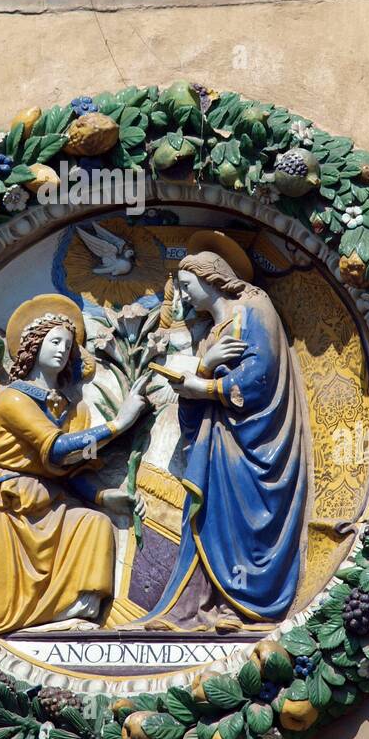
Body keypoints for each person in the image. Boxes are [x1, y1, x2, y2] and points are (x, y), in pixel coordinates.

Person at [0, 306, 149, 635]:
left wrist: (105, 497)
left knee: (94, 524)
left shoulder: (68, 410)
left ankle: (68, 613)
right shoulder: (13, 400)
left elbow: (73, 463)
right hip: (3, 503)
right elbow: (56, 447)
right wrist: (119, 424)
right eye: (55, 342)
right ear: (33, 346)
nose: (63, 350)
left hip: (47, 502)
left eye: (68, 345)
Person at [142, 249, 311, 632]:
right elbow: (192, 408)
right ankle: (192, 608)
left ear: (211, 276)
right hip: (213, 443)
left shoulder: (254, 307)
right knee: (206, 514)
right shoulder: (212, 337)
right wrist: (200, 373)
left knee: (245, 516)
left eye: (186, 286)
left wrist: (206, 385)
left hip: (254, 443)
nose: (183, 297)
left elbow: (261, 375)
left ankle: (242, 604)